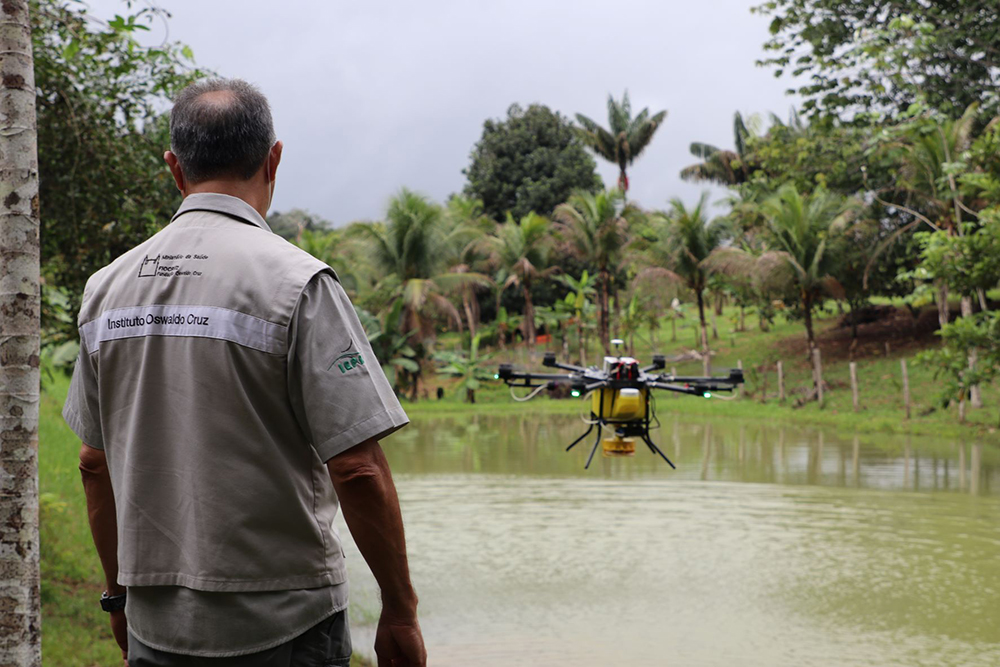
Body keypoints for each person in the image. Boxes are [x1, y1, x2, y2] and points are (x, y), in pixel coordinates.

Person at [63, 78, 427, 667]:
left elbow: (93, 462)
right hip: (285, 623)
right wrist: (401, 611)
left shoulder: (106, 290)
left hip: (156, 627)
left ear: (175, 169)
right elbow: (357, 468)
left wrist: (118, 597)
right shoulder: (298, 283)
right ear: (273, 160)